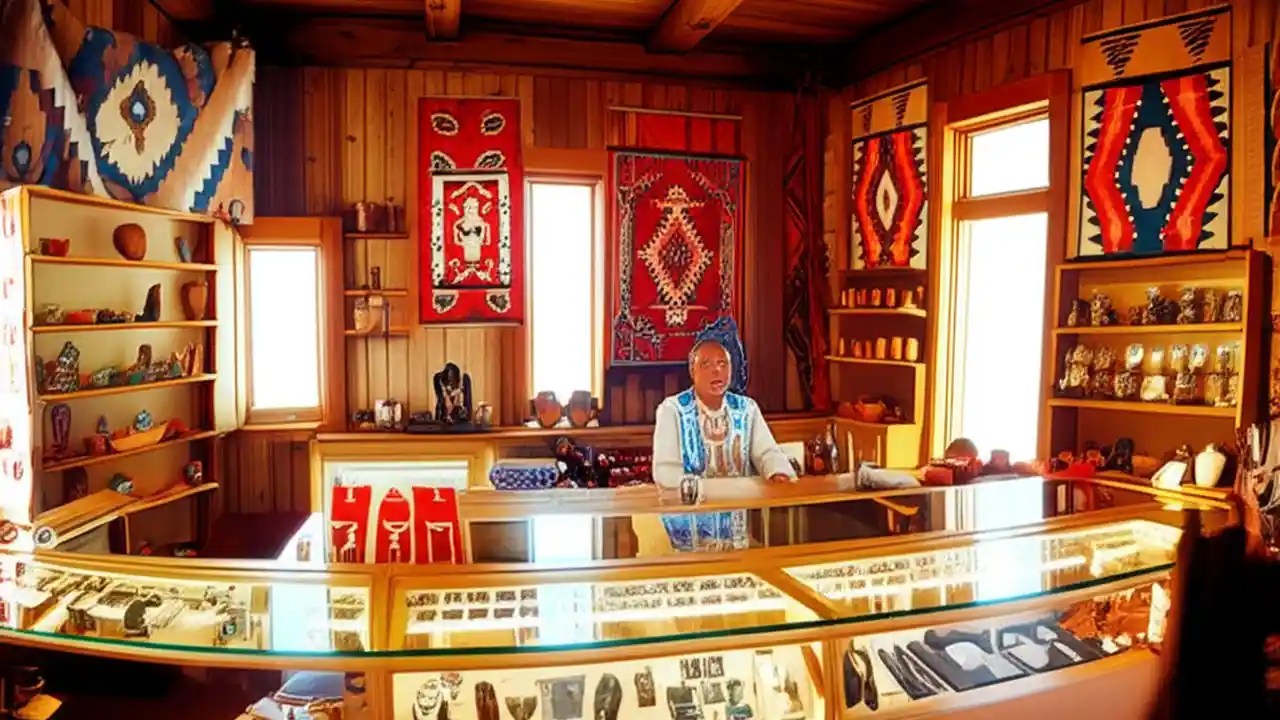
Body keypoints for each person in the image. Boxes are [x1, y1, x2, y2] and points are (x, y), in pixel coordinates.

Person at [651, 320, 796, 552]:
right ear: (692, 371)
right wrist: (708, 490)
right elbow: (666, 474)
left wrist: (777, 470)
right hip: (690, 540)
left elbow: (767, 452)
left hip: (737, 537)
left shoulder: (746, 409)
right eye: (706, 364)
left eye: (722, 364)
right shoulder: (672, 410)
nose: (716, 370)